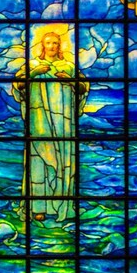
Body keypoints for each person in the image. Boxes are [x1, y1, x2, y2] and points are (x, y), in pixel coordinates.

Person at [12, 27, 88, 221]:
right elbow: (18, 86)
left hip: (64, 122)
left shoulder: (69, 67)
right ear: (42, 45)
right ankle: (38, 207)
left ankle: (62, 205)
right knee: (38, 161)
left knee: (64, 161)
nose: (52, 46)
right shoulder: (33, 65)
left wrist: (71, 81)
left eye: (55, 43)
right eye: (48, 42)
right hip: (39, 121)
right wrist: (35, 73)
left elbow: (82, 89)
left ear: (60, 46)